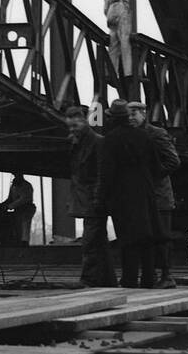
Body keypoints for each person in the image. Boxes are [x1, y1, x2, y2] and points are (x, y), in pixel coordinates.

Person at [93, 99, 163, 288]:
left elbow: (106, 173)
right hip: (145, 192)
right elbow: (158, 168)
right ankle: (149, 279)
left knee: (127, 238)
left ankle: (130, 279)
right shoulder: (145, 136)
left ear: (112, 118)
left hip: (122, 195)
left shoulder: (110, 139)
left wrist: (100, 200)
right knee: (147, 236)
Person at [126, 101, 180, 287]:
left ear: (144, 114)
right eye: (129, 115)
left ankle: (167, 276)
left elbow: (173, 161)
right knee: (146, 237)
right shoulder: (132, 135)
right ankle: (153, 275)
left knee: (162, 236)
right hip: (143, 197)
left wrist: (150, 176)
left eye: (134, 114)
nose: (131, 118)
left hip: (159, 196)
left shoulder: (157, 133)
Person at [66, 105, 112, 287]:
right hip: (86, 199)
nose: (72, 130)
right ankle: (107, 280)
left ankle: (88, 278)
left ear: (85, 122)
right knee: (97, 240)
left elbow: (101, 174)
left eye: (75, 126)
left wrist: (98, 200)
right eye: (69, 127)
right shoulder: (77, 143)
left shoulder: (97, 142)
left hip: (94, 201)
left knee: (90, 241)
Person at [102, 0, 149, 91]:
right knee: (125, 40)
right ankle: (129, 73)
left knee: (113, 43)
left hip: (110, 10)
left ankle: (110, 72)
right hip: (120, 6)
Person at [1, 174, 37, 244]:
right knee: (18, 227)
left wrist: (9, 206)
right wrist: (3, 205)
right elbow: (10, 198)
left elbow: (24, 199)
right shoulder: (14, 186)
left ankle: (24, 242)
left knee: (25, 226)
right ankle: (18, 241)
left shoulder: (27, 186)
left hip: (27, 209)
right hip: (18, 210)